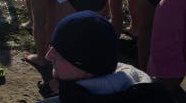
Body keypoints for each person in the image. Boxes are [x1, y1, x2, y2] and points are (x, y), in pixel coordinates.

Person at [39, 11, 169, 103]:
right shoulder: (153, 91)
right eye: (52, 46)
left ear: (86, 67)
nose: (48, 56)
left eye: (59, 53)